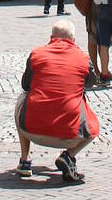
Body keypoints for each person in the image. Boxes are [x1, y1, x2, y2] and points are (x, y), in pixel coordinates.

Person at [14, 17, 99, 184]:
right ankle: (69, 155)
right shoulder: (82, 58)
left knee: (22, 99)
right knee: (88, 114)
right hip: (71, 136)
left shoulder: (36, 54)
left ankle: (25, 160)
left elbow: (26, 85)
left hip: (31, 130)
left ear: (51, 37)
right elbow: (91, 82)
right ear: (73, 40)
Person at [73, 0, 102, 78]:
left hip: (105, 4)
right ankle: (95, 68)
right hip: (93, 4)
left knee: (104, 39)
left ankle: (104, 68)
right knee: (93, 37)